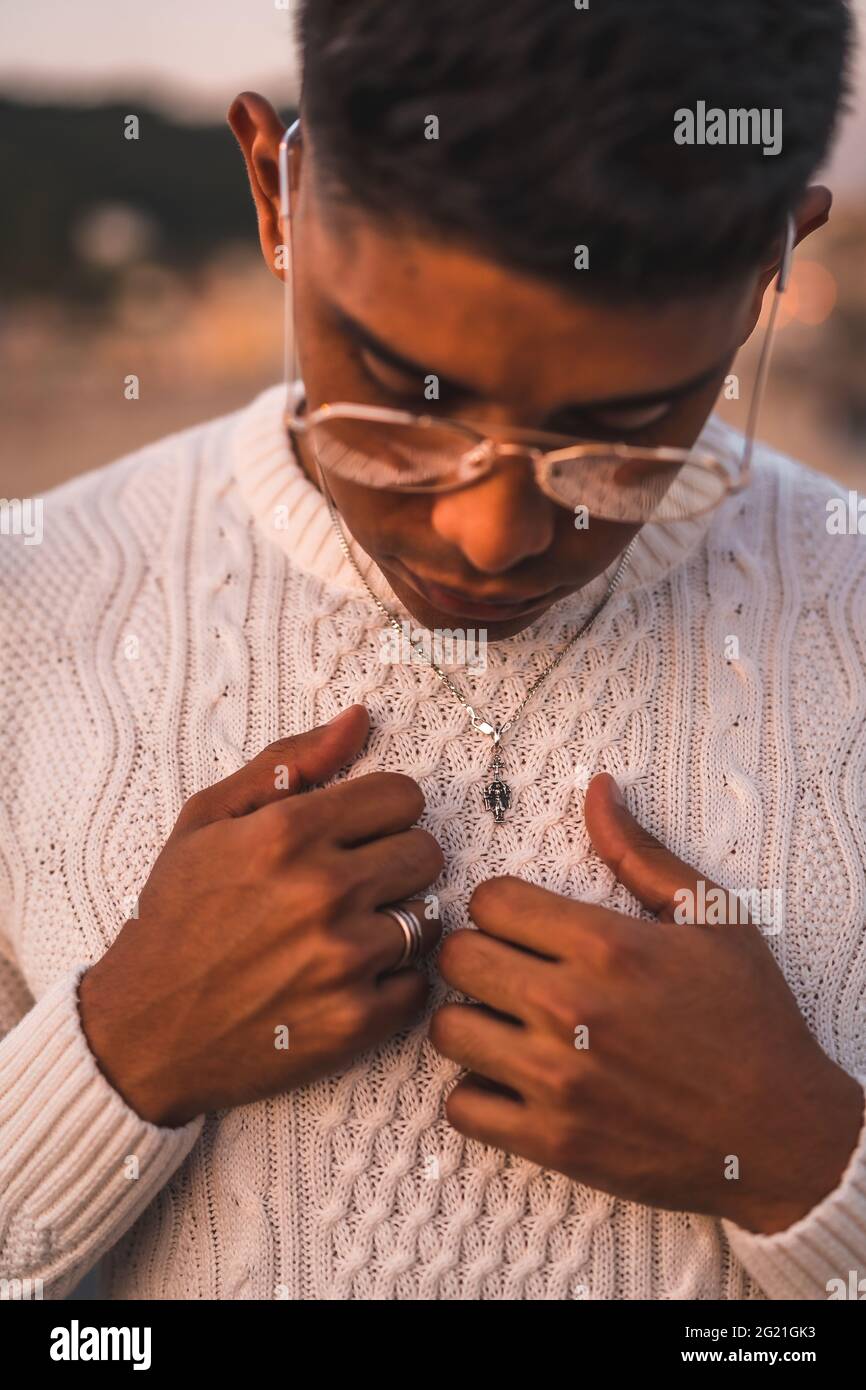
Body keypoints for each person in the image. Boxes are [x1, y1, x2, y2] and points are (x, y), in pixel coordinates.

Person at [1, 0, 864, 1302]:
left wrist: (805, 1164)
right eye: (404, 394)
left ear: (770, 265)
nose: (492, 532)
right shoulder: (28, 603)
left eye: (618, 427)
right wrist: (115, 1053)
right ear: (273, 188)